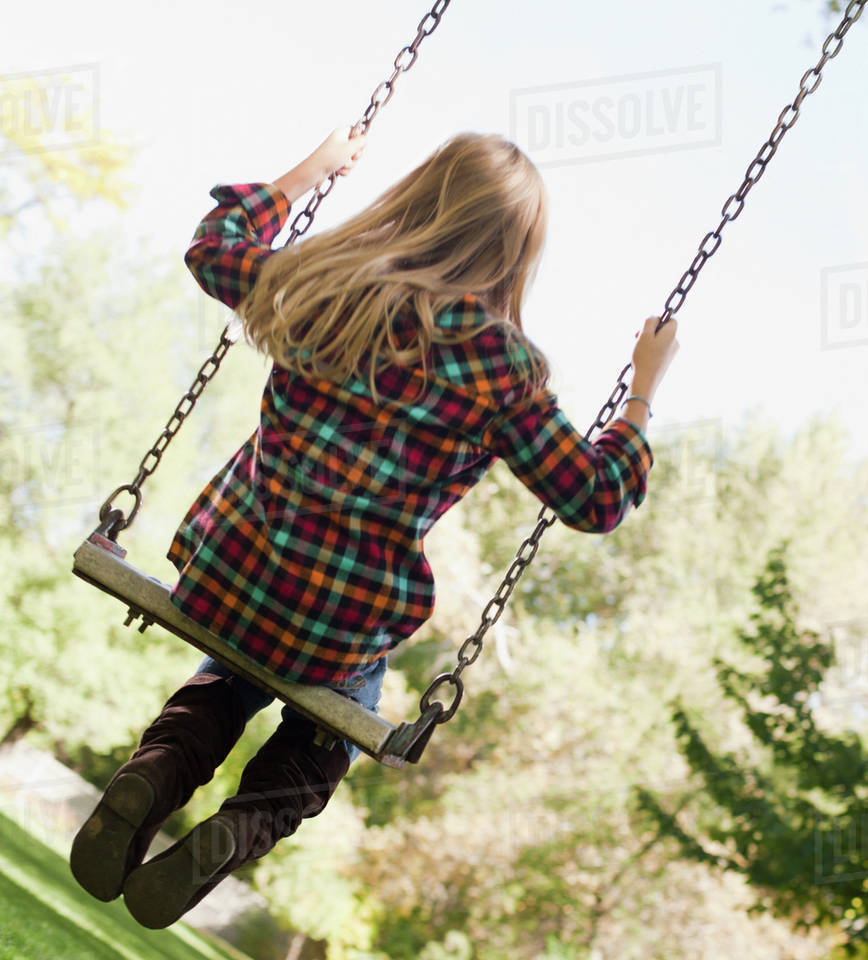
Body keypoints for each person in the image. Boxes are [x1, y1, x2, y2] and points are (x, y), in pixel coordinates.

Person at [70, 127, 679, 928]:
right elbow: (596, 498)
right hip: (339, 629)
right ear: (513, 253)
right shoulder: (500, 367)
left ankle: (156, 772)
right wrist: (641, 390)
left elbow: (213, 244)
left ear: (422, 197)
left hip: (225, 576)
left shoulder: (322, 282)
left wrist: (312, 169)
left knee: (233, 672)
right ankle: (238, 828)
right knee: (335, 717)